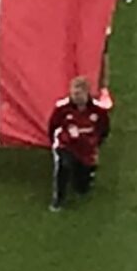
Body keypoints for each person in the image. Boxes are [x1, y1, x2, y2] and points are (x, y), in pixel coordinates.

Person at [48, 75, 109, 210]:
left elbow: (104, 129)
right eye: (74, 93)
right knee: (64, 166)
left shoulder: (98, 110)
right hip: (66, 145)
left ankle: (87, 174)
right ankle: (58, 199)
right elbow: (52, 126)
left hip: (86, 149)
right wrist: (54, 143)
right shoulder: (62, 108)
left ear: (87, 93)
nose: (76, 97)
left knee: (82, 187)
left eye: (79, 94)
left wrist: (95, 144)